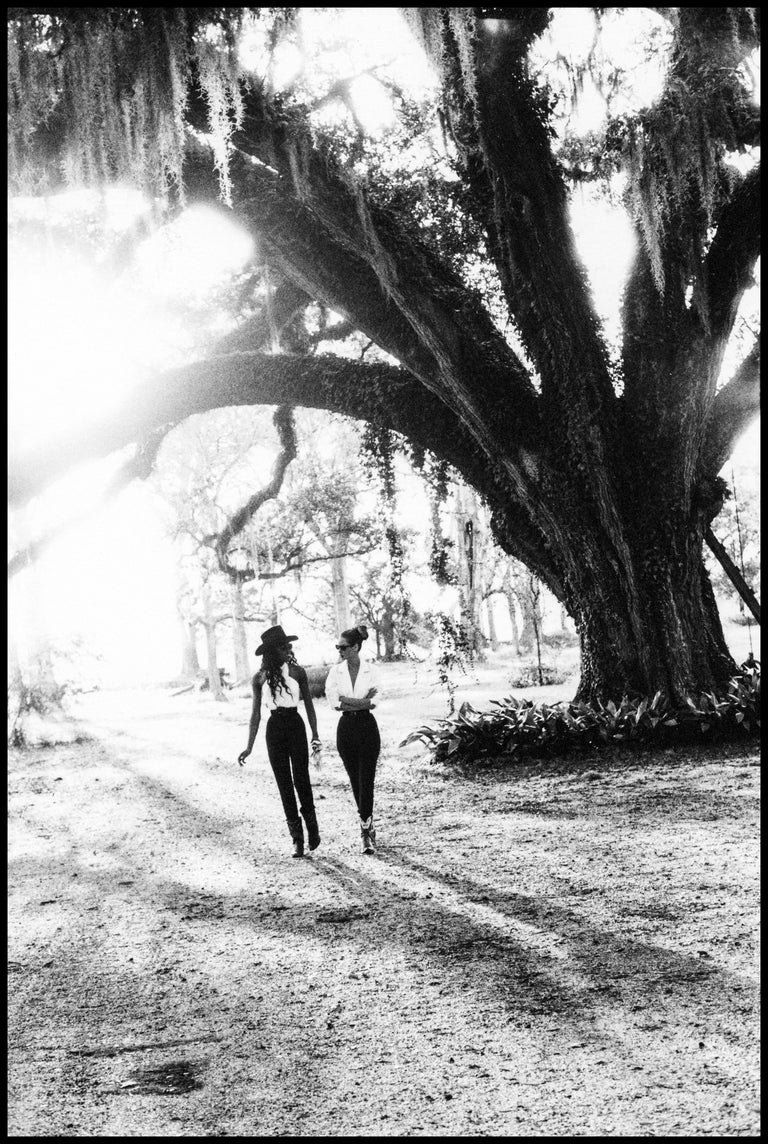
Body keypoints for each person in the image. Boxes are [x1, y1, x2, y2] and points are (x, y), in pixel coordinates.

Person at [238, 625, 322, 858]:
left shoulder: (297, 673)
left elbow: (309, 705)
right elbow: (255, 714)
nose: (288, 649)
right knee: (284, 782)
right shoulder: (259, 678)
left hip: (295, 725)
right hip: (274, 729)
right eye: (283, 646)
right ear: (272, 651)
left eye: (289, 645)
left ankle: (312, 827)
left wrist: (315, 734)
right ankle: (297, 838)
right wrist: (249, 746)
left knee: (301, 778)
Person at [324, 624, 381, 855]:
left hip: (368, 727)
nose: (339, 651)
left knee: (366, 779)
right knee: (355, 779)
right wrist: (361, 701)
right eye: (337, 647)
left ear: (356, 647)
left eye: (343, 647)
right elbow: (333, 701)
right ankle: (367, 824)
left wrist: (351, 701)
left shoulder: (371, 670)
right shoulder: (335, 672)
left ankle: (365, 832)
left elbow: (377, 699)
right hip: (346, 728)